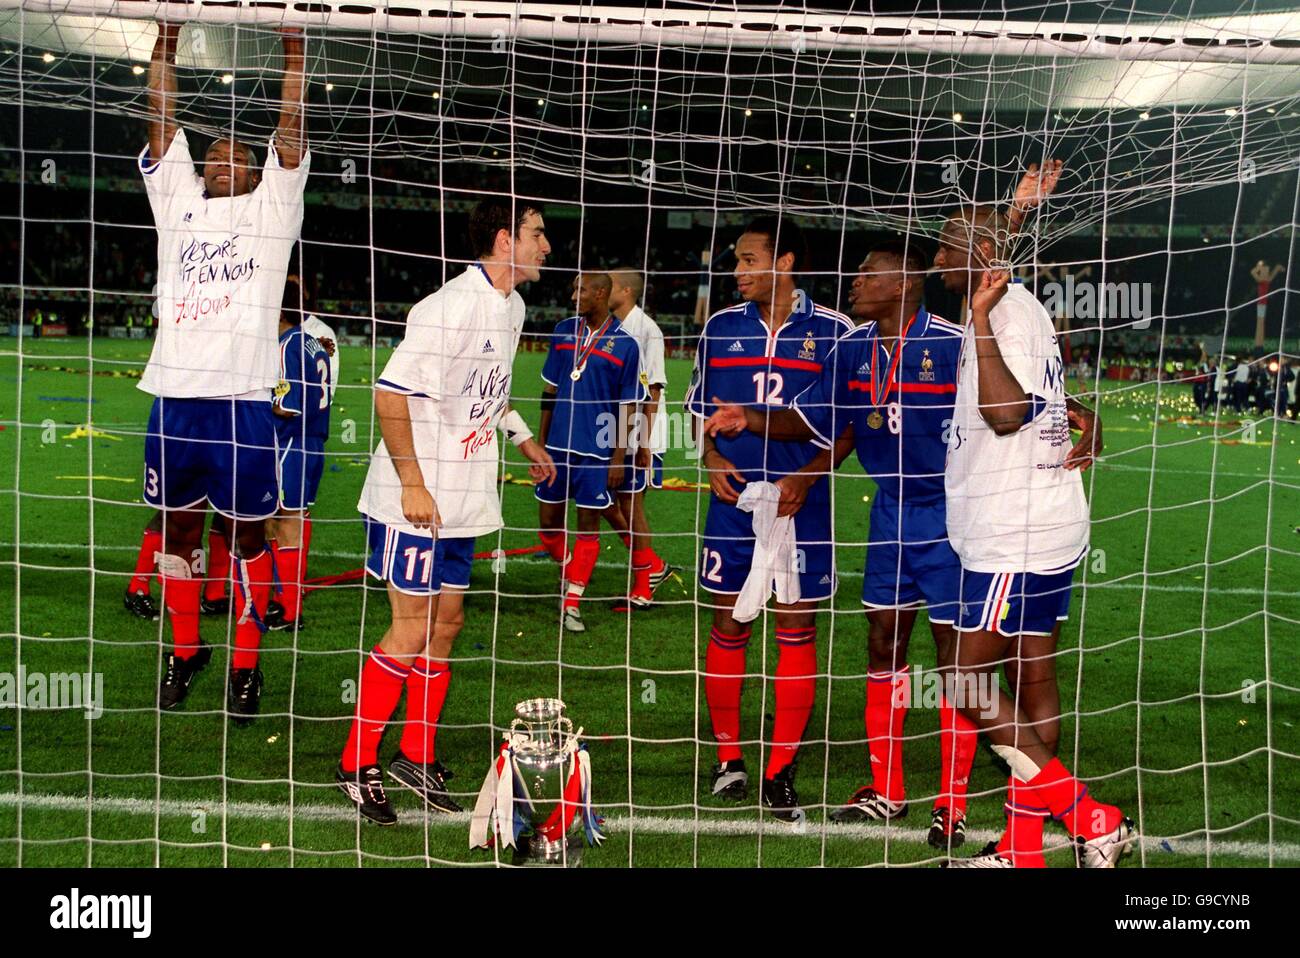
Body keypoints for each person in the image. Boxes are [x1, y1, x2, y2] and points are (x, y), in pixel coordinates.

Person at [705, 239, 978, 846]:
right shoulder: (853, 346)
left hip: (952, 516)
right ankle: (888, 790)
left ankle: (952, 803)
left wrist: (1075, 413)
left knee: (955, 658)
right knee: (883, 643)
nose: (854, 282)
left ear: (904, 283)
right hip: (889, 514)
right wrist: (745, 419)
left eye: (866, 275)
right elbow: (817, 419)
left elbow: (1013, 399)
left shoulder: (955, 345)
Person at [339, 198, 555, 825]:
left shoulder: (511, 306)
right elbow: (389, 394)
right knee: (409, 631)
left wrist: (521, 436)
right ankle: (356, 765)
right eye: (537, 233)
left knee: (447, 625)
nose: (546, 246)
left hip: (462, 501)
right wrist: (411, 484)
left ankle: (416, 753)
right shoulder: (446, 306)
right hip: (415, 502)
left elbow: (488, 390)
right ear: (503, 238)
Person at [934, 205, 1134, 867]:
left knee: (964, 680)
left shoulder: (1003, 313)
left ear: (981, 253)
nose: (937, 261)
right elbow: (1041, 396)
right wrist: (1085, 410)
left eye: (946, 248)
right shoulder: (1016, 304)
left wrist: (984, 323)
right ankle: (1024, 851)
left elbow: (1006, 411)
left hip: (1011, 532)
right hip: (1048, 519)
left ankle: (1090, 817)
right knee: (1032, 678)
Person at [139, 20, 308, 723]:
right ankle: (186, 651)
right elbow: (159, 120)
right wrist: (166, 38)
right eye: (209, 153)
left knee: (244, 537)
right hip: (176, 399)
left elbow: (291, 129)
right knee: (177, 534)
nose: (217, 160)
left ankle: (244, 663)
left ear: (255, 170)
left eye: (234, 154)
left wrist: (294, 48)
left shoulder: (273, 210)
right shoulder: (176, 205)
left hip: (241, 403)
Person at [685, 216, 852, 822]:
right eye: (736, 260)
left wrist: (807, 476)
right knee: (729, 623)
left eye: (749, 259)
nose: (738, 272)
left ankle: (781, 769)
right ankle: (730, 757)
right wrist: (708, 460)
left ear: (784, 263)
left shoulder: (836, 332)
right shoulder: (721, 329)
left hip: (801, 506)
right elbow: (700, 412)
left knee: (796, 628)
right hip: (732, 503)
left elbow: (849, 424)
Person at [535, 272, 645, 632]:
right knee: (548, 526)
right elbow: (549, 394)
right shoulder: (564, 331)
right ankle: (573, 572)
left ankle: (572, 603)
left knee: (587, 527)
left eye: (580, 289)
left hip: (596, 455)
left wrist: (618, 459)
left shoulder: (627, 345)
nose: (573, 295)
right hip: (555, 451)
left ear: (600, 293)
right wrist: (539, 445)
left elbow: (629, 409)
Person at [607, 267, 678, 609]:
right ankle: (652, 565)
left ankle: (644, 584)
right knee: (608, 502)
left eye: (608, 285)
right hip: (612, 430)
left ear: (625, 291)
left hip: (640, 434)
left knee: (631, 506)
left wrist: (644, 443)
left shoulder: (647, 330)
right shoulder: (609, 328)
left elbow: (654, 390)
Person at [266, 275, 331, 631]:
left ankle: (289, 609)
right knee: (288, 519)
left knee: (285, 523)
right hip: (313, 443)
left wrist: (258, 400)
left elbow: (286, 405)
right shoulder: (312, 343)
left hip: (290, 443)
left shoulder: (286, 344)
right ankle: (283, 600)